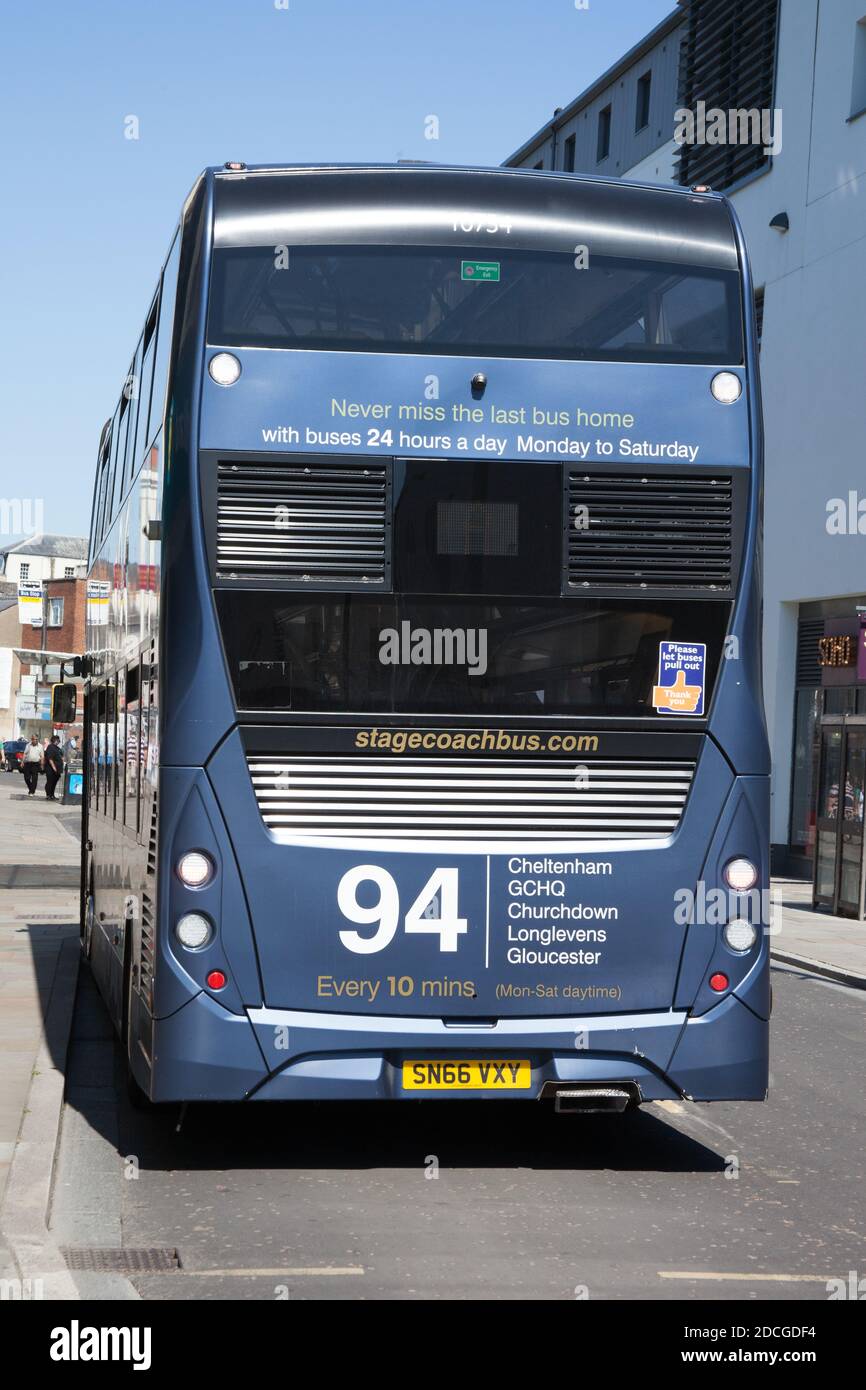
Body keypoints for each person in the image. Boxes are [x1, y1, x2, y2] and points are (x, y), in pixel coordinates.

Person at [43, 736, 64, 802]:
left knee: (54, 782)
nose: (59, 741)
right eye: (58, 740)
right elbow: (50, 759)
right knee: (50, 782)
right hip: (51, 769)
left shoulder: (57, 748)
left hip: (57, 769)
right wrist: (54, 767)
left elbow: (61, 756)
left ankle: (52, 794)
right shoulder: (51, 747)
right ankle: (48, 795)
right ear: (55, 740)